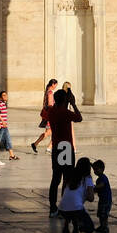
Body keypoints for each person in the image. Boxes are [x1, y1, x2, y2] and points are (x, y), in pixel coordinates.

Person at [42, 88, 82, 216]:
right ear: (65, 100)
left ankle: (53, 207)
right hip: (66, 147)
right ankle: (65, 205)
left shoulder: (53, 111)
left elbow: (44, 112)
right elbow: (79, 118)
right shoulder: (65, 112)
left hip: (57, 147)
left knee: (56, 179)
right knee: (68, 178)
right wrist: (73, 104)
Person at [58, 157, 95, 233]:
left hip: (62, 209)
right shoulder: (87, 178)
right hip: (76, 209)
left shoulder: (70, 175)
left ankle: (67, 223)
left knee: (72, 207)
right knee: (90, 228)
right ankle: (78, 225)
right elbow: (91, 198)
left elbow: (63, 192)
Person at [30, 79, 57, 154]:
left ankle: (35, 144)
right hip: (50, 115)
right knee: (51, 132)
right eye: (55, 85)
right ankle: (49, 148)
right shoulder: (50, 92)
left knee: (49, 132)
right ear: (53, 84)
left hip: (46, 115)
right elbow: (50, 105)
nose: (56, 87)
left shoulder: (47, 91)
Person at [92, 159, 112, 232]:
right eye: (94, 170)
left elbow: (101, 185)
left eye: (97, 169)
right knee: (100, 213)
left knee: (104, 214)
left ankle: (105, 227)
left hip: (106, 199)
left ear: (102, 169)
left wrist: (94, 187)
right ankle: (102, 226)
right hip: (102, 199)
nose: (95, 171)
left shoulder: (103, 178)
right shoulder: (99, 179)